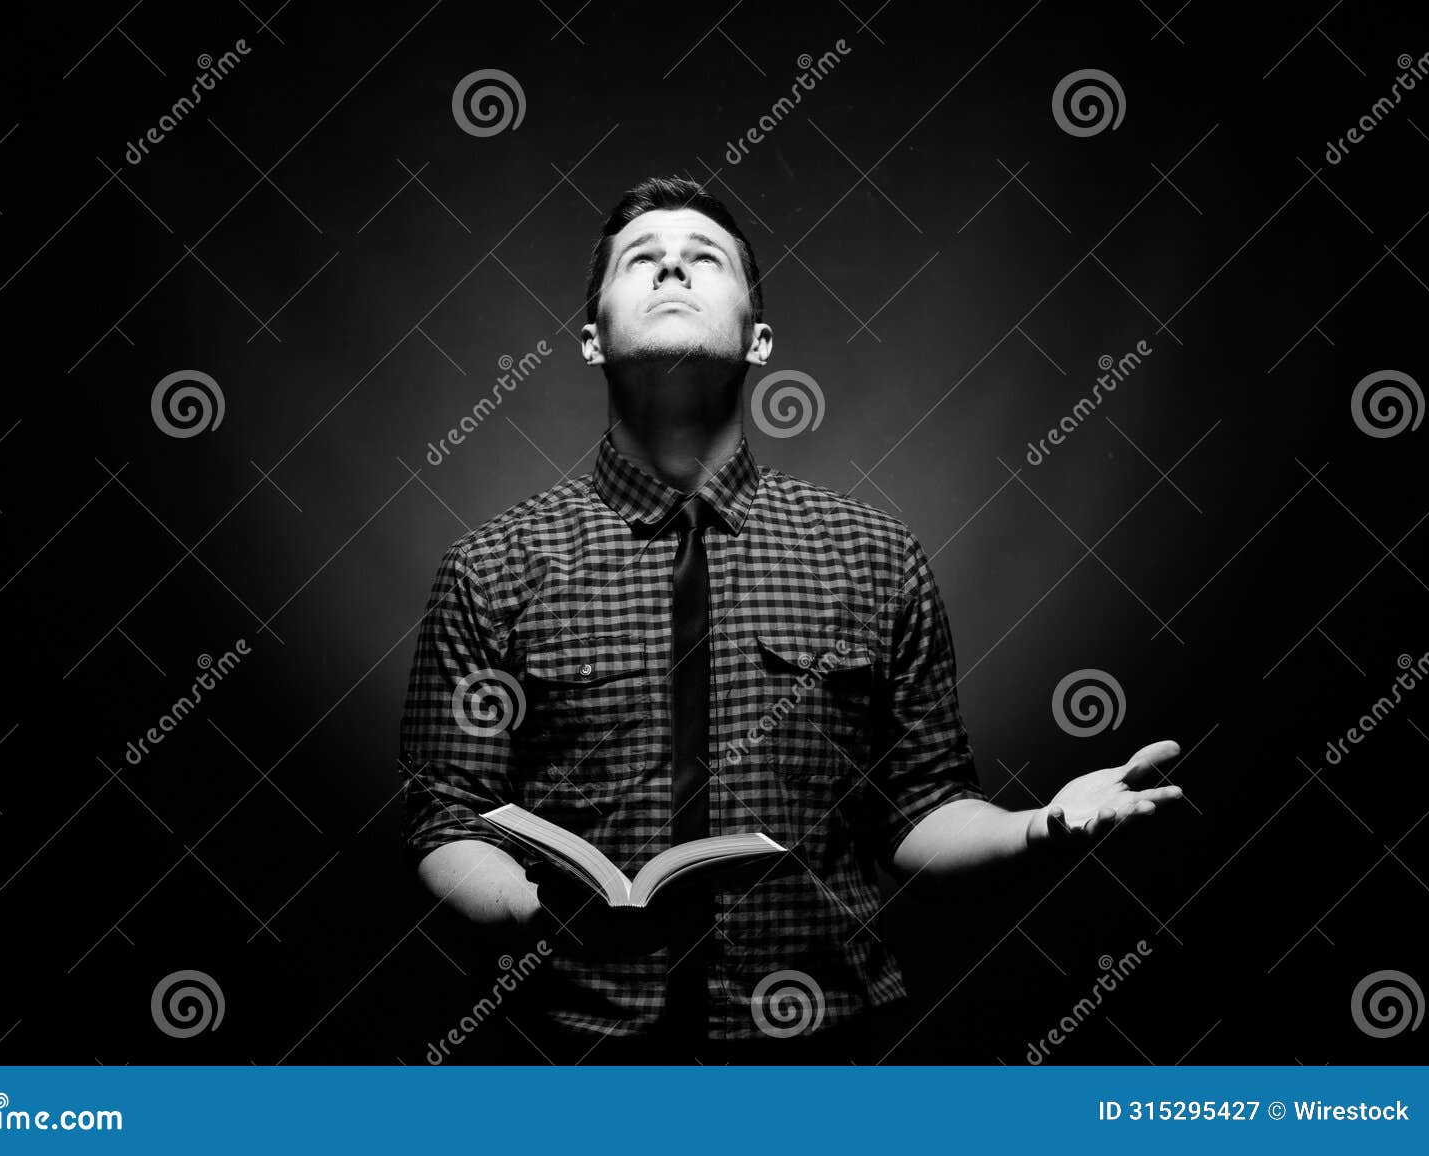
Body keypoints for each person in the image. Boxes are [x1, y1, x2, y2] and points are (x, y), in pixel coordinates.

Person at [398, 175, 1184, 1064]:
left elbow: (921, 812)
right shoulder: (491, 566)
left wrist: (1043, 825)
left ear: (760, 338)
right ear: (590, 339)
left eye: (704, 259)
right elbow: (447, 823)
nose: (671, 270)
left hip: (820, 1058)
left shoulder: (874, 555)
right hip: (565, 1059)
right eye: (640, 261)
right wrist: (537, 911)